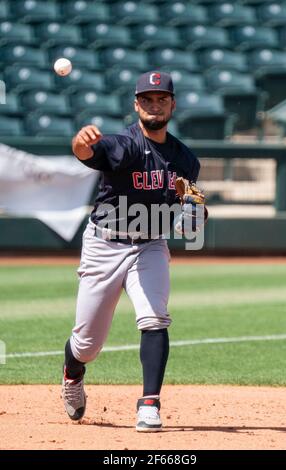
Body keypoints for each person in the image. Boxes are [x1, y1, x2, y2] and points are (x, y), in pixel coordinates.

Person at [61, 71, 201, 432]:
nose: (155, 106)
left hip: (151, 245)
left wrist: (193, 214)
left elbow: (187, 216)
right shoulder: (124, 144)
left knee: (154, 317)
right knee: (87, 344)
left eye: (161, 99)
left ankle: (149, 403)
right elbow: (87, 152)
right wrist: (81, 142)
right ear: (136, 104)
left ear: (172, 103)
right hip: (104, 244)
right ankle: (73, 372)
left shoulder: (185, 159)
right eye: (147, 100)